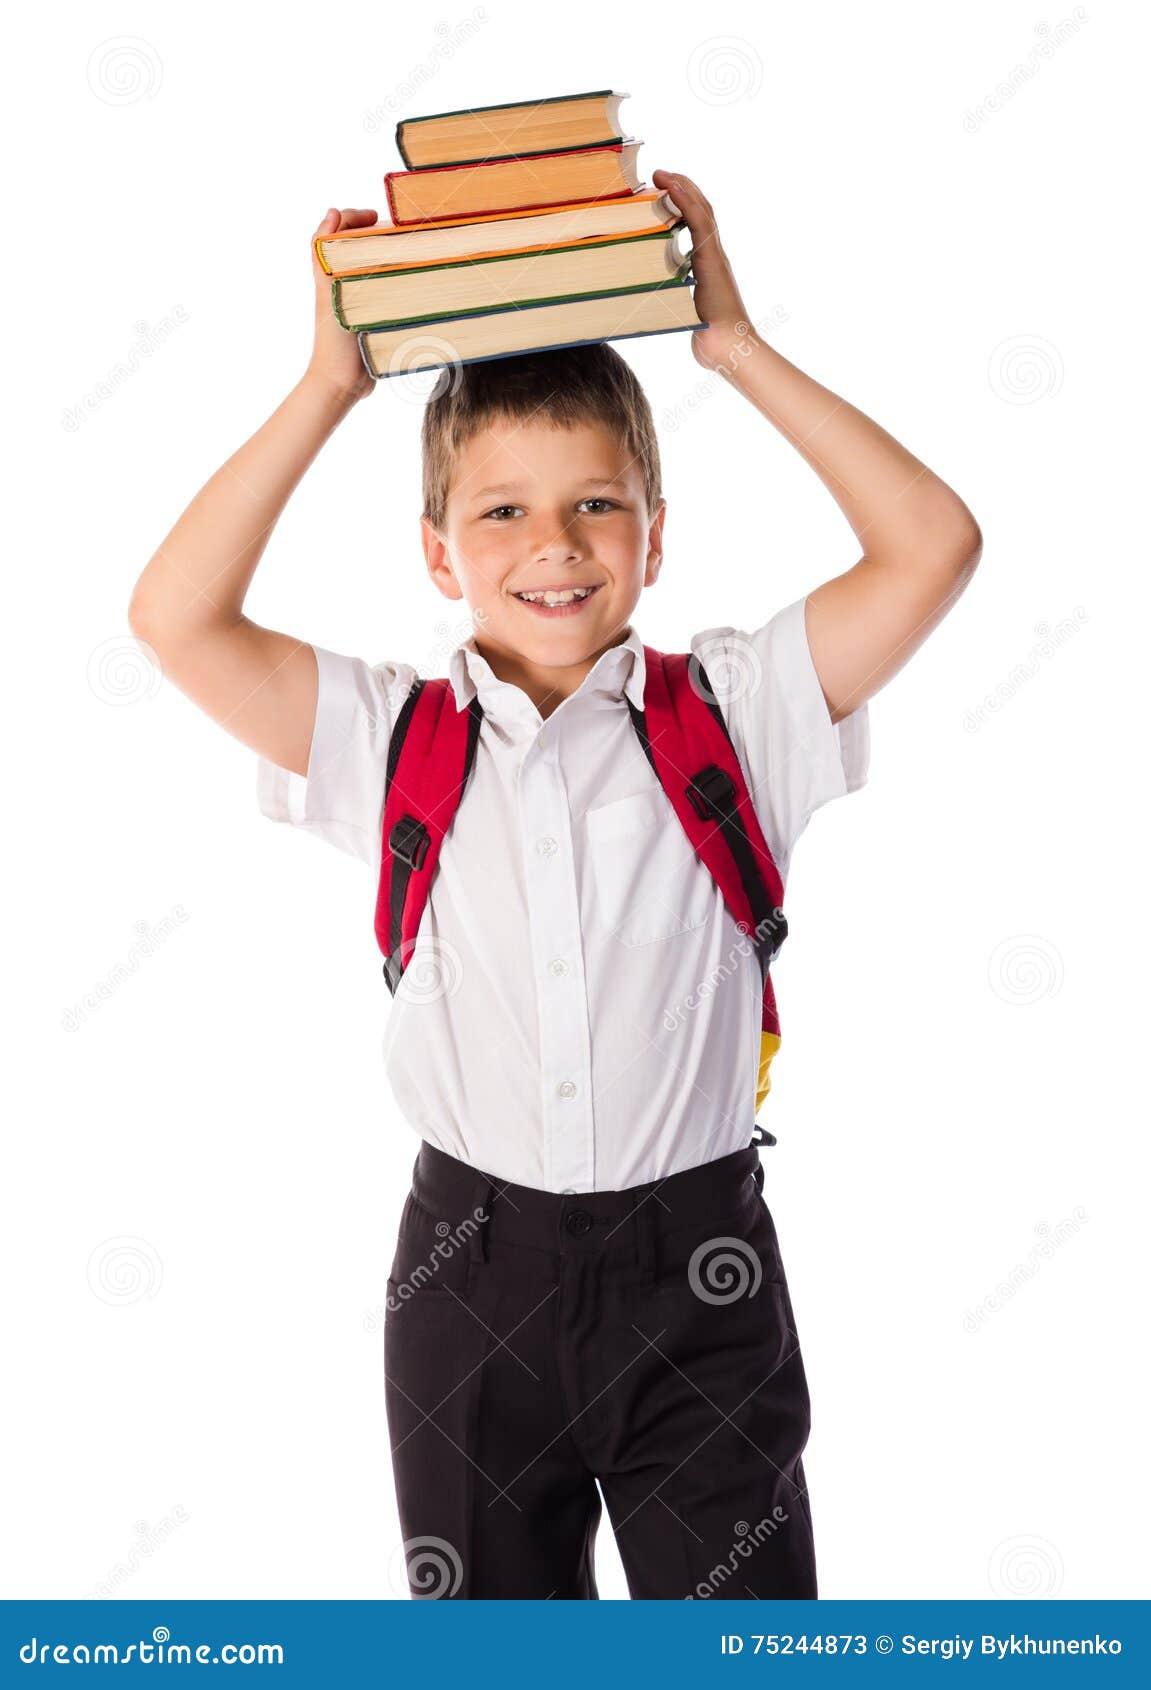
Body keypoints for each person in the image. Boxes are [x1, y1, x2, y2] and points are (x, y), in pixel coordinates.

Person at [127, 174, 981, 1600]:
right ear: (436, 547)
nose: (555, 544)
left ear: (657, 532)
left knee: (750, 1642)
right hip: (469, 1277)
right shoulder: (391, 735)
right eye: (503, 509)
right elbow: (174, 615)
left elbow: (933, 545)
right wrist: (329, 384)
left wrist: (734, 347)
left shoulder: (742, 706)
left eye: (598, 503)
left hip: (701, 1270)